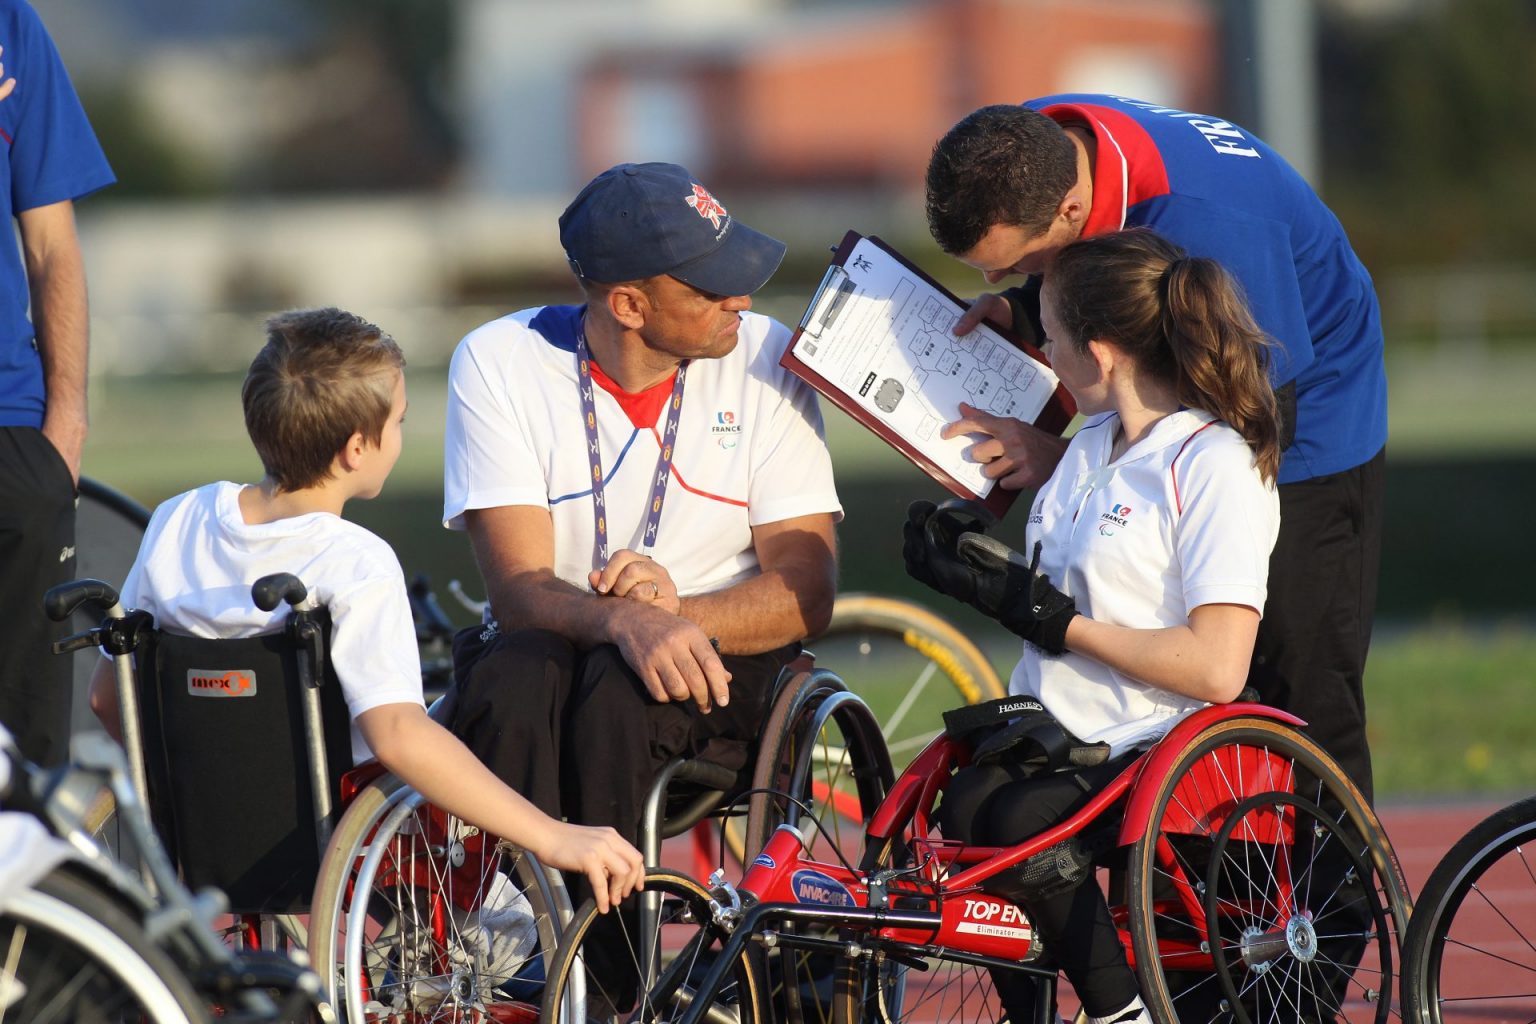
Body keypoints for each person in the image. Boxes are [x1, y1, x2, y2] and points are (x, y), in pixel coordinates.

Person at [88, 308, 645, 912]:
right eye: (398, 422)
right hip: (343, 837)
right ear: (357, 448)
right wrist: (552, 836)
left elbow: (107, 699)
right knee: (511, 920)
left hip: (201, 831)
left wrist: (198, 786)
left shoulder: (177, 520)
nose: (400, 434)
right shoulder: (355, 560)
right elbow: (397, 735)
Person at [925, 97, 1386, 803]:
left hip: (1301, 406)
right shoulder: (1029, 145)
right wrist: (1023, 307)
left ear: (1072, 210)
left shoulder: (1207, 223)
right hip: (1180, 378)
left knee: (1300, 683)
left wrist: (1069, 465)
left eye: (1014, 263)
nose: (994, 279)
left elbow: (1240, 430)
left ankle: (1339, 877)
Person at [442, 162, 840, 948]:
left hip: (721, 654)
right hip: (555, 643)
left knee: (622, 692)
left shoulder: (768, 355)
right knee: (513, 677)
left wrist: (671, 615)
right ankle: (511, 927)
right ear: (628, 305)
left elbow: (807, 589)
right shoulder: (498, 359)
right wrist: (624, 621)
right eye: (712, 287)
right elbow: (519, 589)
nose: (741, 300)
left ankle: (606, 971)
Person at [906, 228, 1281, 1024]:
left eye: (1050, 334)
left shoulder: (1212, 464)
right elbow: (1058, 600)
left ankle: (1122, 1013)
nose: (1043, 350)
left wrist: (1059, 624)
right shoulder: (1086, 451)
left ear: (1100, 354)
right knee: (965, 809)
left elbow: (1218, 668)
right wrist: (971, 572)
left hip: (1152, 737)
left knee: (1018, 825)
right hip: (1058, 726)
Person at [0, 2, 116, 766]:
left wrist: (64, 426)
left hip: (13, 431)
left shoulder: (10, 25)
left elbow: (51, 246)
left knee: (29, 751)